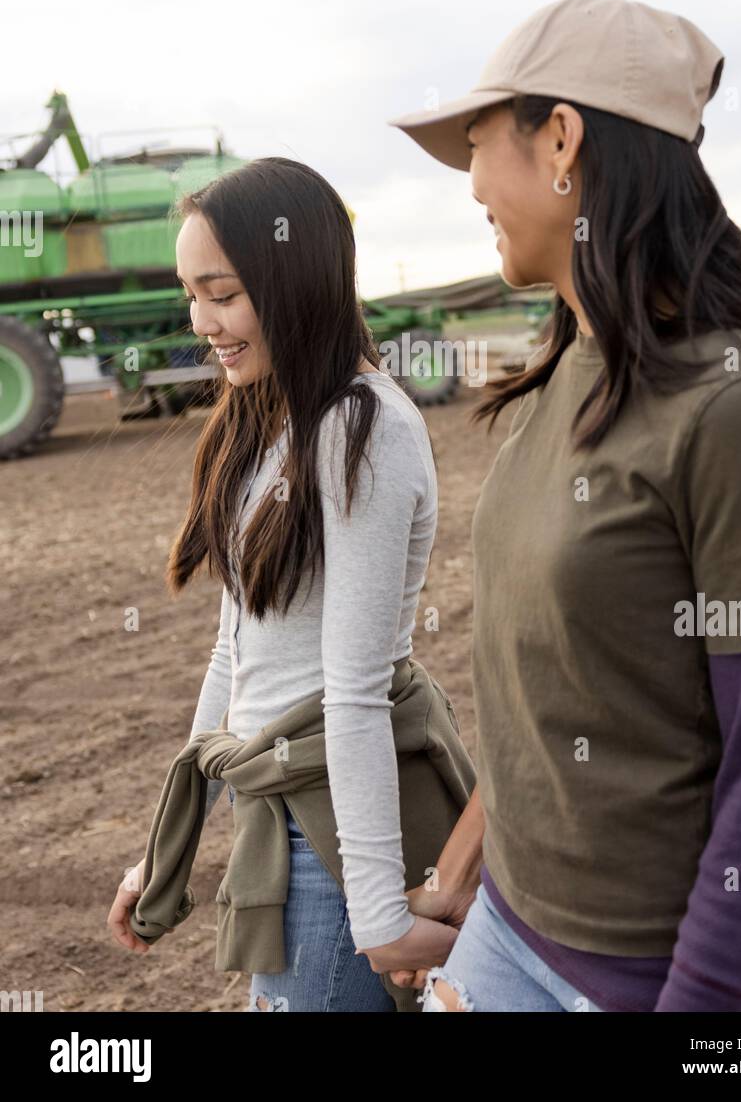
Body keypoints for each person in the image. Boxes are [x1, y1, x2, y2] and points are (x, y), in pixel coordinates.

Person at [385, 0, 741, 1012]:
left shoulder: (736, 410)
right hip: (509, 934)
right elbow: (553, 694)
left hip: (668, 981)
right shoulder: (562, 379)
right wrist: (460, 881)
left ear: (561, 140)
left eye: (475, 143)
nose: (470, 184)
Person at [106, 156, 474, 1011]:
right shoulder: (265, 418)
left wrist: (376, 916)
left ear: (294, 280)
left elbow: (354, 689)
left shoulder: (362, 428)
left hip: (336, 837)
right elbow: (236, 656)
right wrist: (164, 851)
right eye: (190, 295)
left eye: (223, 294)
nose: (201, 322)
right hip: (280, 817)